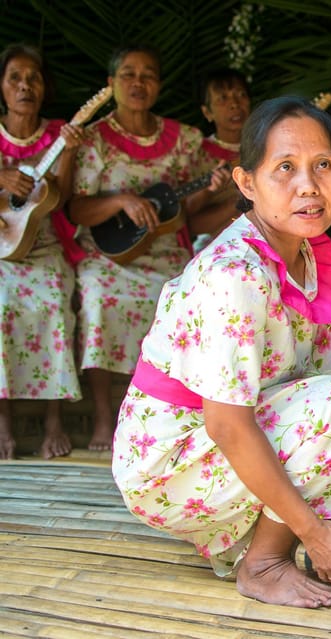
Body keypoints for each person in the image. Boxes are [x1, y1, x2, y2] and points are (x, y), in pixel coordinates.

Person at [112, 96, 331, 608]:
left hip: (235, 438)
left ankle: (264, 536)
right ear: (246, 184)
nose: (309, 185)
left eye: (323, 165)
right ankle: (262, 564)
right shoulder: (235, 272)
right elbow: (229, 424)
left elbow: (318, 383)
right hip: (170, 459)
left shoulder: (307, 253)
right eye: (285, 168)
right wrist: (316, 533)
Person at [69, 44, 231, 451]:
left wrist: (210, 189)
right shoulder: (94, 139)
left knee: (187, 301)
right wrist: (121, 201)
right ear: (111, 84)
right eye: (128, 74)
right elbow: (77, 207)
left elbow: (184, 209)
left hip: (164, 251)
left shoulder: (184, 139)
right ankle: (107, 416)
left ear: (158, 84)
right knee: (98, 296)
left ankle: (172, 418)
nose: (138, 83)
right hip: (109, 256)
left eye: (148, 75)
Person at [0, 44, 84, 459]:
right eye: (15, 77)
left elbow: (64, 197)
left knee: (54, 303)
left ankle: (54, 419)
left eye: (33, 78)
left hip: (46, 244)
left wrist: (67, 153)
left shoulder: (56, 134)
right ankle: (3, 422)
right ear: (1, 86)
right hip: (0, 245)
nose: (25, 85)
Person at [189, 67, 251, 250]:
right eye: (223, 98)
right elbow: (192, 224)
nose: (234, 104)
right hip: (217, 251)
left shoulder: (266, 147)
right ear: (207, 112)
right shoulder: (197, 154)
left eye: (241, 95)